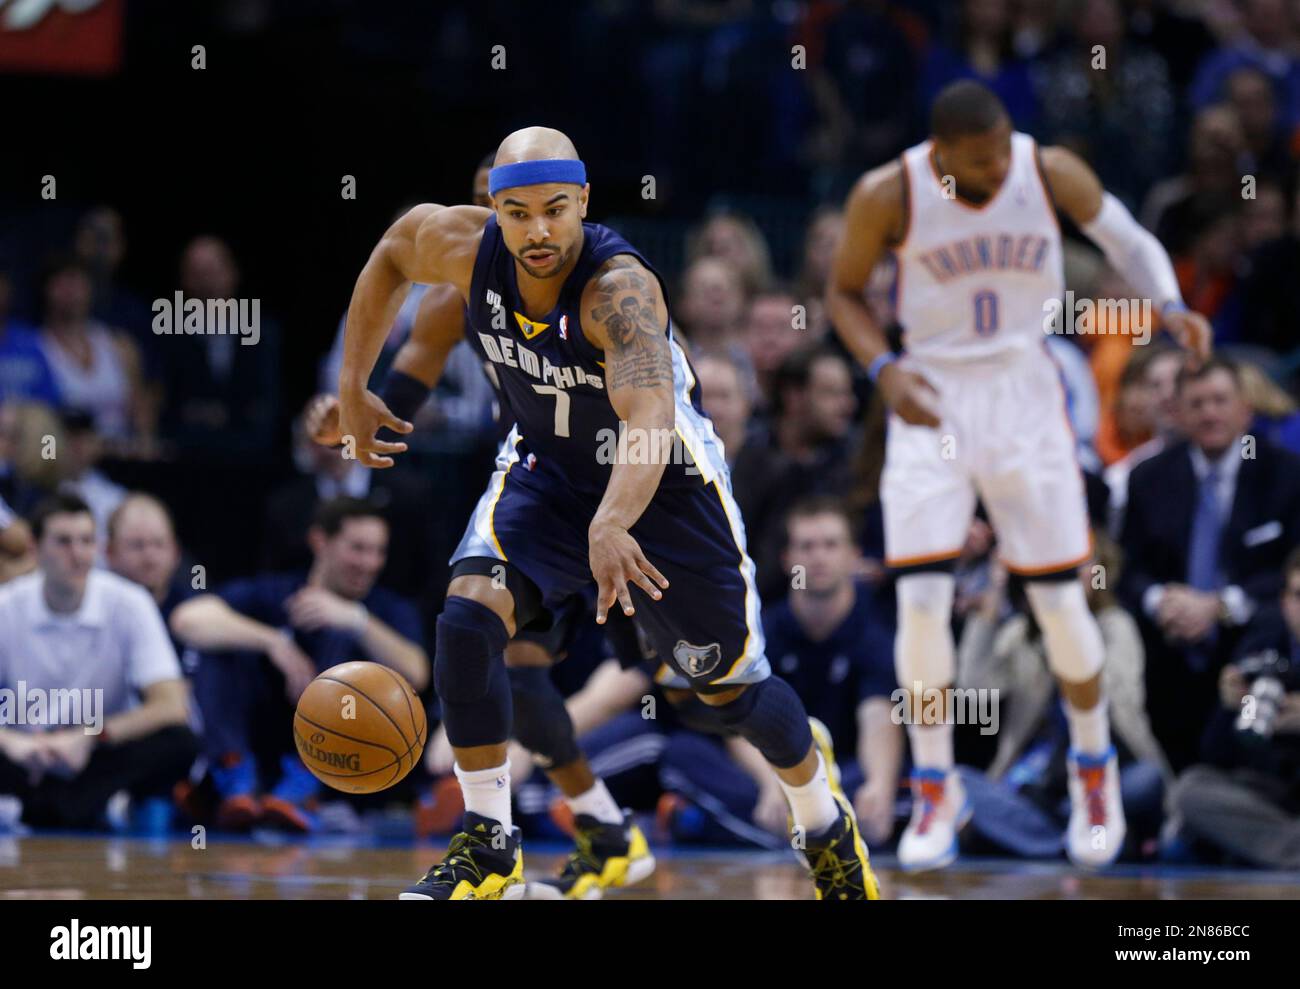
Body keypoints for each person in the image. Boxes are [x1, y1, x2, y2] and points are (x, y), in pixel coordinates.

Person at [334, 126, 878, 900]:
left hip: (665, 488)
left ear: (583, 202)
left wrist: (614, 520)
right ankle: (489, 840)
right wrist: (357, 385)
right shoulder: (462, 249)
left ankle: (825, 826)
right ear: (494, 211)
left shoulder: (617, 289)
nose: (539, 230)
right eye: (517, 213)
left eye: (556, 209)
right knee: (468, 617)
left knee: (724, 692)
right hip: (549, 474)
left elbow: (651, 415)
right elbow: (390, 254)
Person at [826, 79, 1211, 870]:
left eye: (1003, 152)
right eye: (979, 160)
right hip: (930, 391)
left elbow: (1129, 238)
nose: (998, 169)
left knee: (1062, 598)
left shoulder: (1050, 169)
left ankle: (1093, 767)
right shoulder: (888, 190)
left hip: (1025, 392)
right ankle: (935, 786)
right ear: (941, 155)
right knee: (924, 602)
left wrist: (1168, 303)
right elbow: (840, 293)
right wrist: (884, 367)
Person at [169, 496, 427, 832]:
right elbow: (187, 620)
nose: (370, 562)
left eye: (378, 551)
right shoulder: (276, 591)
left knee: (344, 639)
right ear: (320, 541)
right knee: (218, 642)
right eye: (358, 548)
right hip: (260, 732)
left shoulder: (387, 608)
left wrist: (356, 619)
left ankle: (304, 787)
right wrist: (274, 641)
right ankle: (234, 776)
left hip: (343, 750)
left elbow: (418, 673)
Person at [656, 498, 901, 848]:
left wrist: (879, 783)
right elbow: (735, 720)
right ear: (788, 560)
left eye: (831, 545)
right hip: (769, 774)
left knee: (883, 783)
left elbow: (879, 716)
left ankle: (741, 829)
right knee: (681, 753)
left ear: (853, 556)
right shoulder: (761, 629)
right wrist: (776, 781)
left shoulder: (874, 629)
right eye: (807, 546)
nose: (818, 557)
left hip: (840, 771)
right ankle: (821, 833)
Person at [1119, 357, 1300, 772]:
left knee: (1273, 623)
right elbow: (1124, 568)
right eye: (1197, 403)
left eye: (1220, 400)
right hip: (1165, 642)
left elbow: (1291, 570)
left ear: (1245, 409)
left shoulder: (1285, 473)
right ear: (1178, 413)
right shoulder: (1147, 477)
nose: (1210, 413)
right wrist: (1158, 599)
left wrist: (1219, 605)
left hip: (1251, 641)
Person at [0, 492, 195, 830]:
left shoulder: (129, 603)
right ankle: (82, 807)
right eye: (63, 542)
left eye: (86, 541)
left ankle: (39, 809)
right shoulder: (7, 606)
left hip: (92, 753)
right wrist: (13, 743)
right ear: (35, 548)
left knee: (180, 742)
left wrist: (89, 736)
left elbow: (171, 705)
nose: (78, 555)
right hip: (22, 755)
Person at [1168, 546, 1300, 869]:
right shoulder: (1265, 640)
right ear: (1284, 601)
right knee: (1191, 790)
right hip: (1281, 792)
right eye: (1299, 595)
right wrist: (1233, 708)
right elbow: (1214, 754)